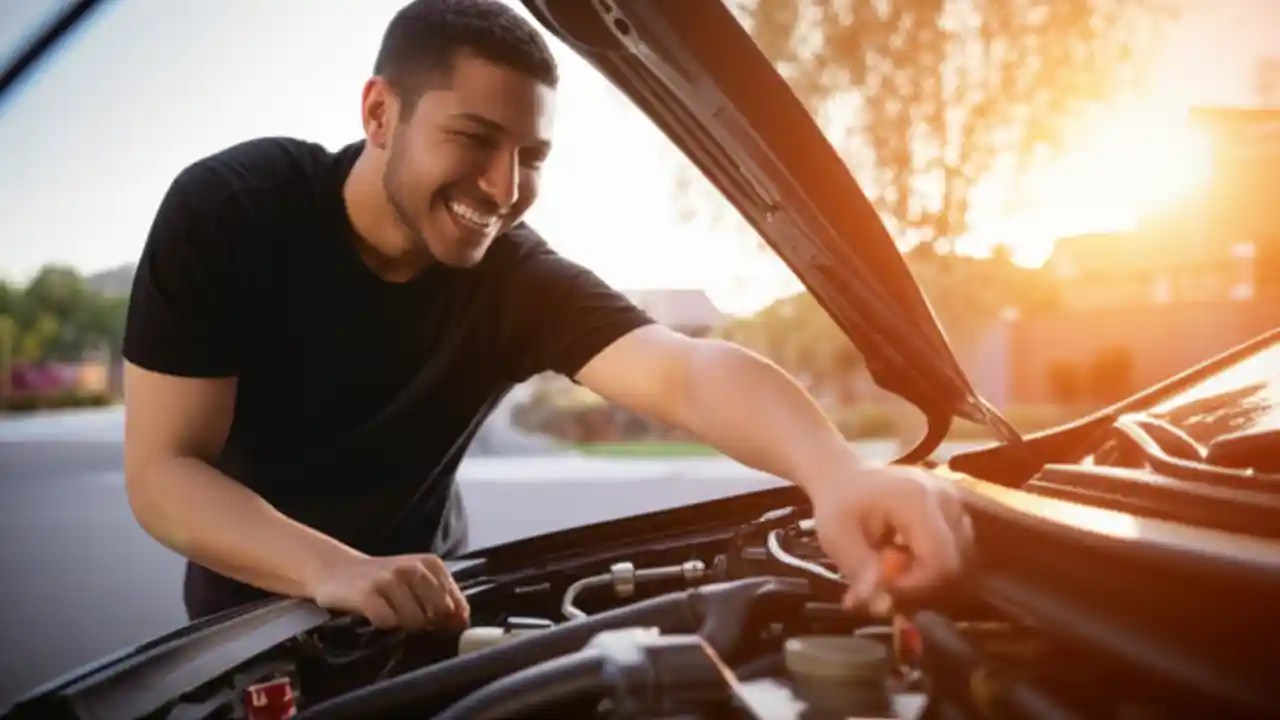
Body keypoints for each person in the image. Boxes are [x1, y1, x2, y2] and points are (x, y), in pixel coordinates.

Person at [122, 0, 971, 631]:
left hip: (426, 596)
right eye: (473, 137)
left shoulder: (509, 275)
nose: (502, 189)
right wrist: (330, 569)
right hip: (248, 616)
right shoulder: (233, 212)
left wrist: (836, 472)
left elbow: (684, 369)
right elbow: (164, 472)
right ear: (380, 113)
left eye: (531, 156)